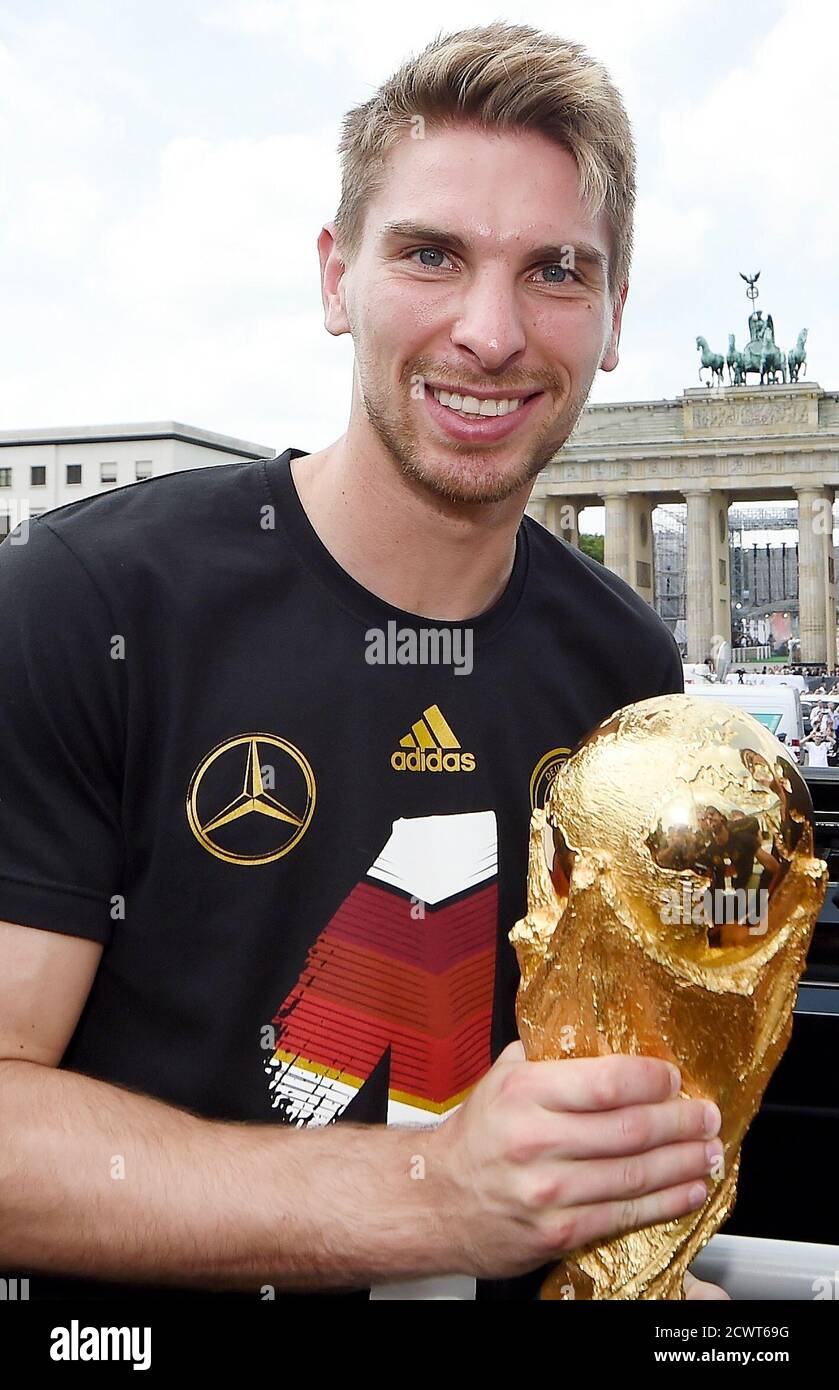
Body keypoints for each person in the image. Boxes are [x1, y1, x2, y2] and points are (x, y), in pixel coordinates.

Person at [0, 23, 726, 1301]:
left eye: (555, 270)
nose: (489, 332)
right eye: (431, 254)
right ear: (335, 279)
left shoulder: (624, 661)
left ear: (613, 316)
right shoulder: (81, 605)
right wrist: (426, 1200)